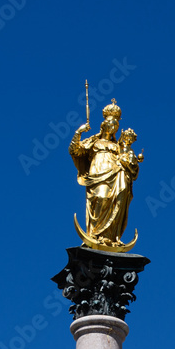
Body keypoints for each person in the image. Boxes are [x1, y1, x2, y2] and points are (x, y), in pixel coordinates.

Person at [69, 99, 140, 247]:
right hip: (98, 173)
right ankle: (96, 234)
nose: (113, 126)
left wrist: (131, 161)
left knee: (117, 201)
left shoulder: (118, 146)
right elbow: (75, 150)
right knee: (101, 197)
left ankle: (110, 237)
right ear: (104, 124)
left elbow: (129, 161)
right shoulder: (94, 142)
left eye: (116, 124)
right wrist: (79, 131)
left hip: (117, 174)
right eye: (110, 123)